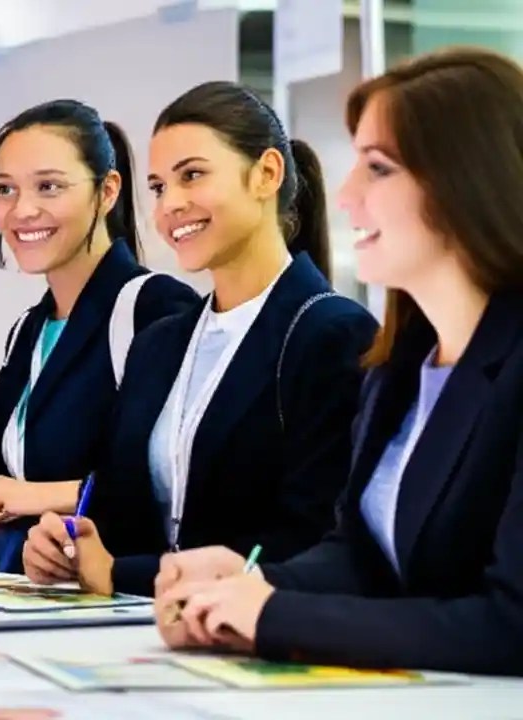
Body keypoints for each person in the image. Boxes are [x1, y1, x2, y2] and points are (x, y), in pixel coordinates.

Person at [154, 47, 523, 677]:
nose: (347, 195)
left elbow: (509, 624)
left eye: (377, 169)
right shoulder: (399, 365)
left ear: (468, 178)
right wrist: (245, 580)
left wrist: (271, 614)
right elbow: (362, 559)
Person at [23, 81, 379, 596]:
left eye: (192, 176)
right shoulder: (161, 344)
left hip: (256, 635)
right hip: (141, 630)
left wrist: (120, 573)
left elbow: (310, 538)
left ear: (267, 174)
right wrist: (68, 543)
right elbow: (120, 506)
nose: (171, 204)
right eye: (160, 186)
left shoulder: (331, 334)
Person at [0, 100, 197, 572]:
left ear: (107, 190)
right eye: (5, 189)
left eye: (48, 187)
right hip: (30, 594)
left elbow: (167, 481)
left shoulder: (155, 309)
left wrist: (34, 496)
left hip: (126, 599)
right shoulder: (29, 330)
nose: (22, 210)